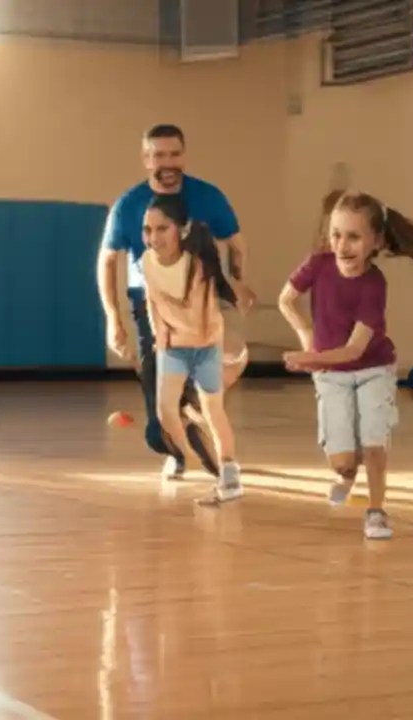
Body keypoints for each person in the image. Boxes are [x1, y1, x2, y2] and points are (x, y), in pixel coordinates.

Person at [278, 191, 413, 539]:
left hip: (372, 370)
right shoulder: (317, 265)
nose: (343, 245)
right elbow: (286, 299)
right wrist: (306, 334)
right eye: (337, 234)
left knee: (373, 443)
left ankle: (376, 512)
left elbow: (354, 350)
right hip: (330, 376)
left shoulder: (373, 283)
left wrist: (309, 357)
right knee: (343, 460)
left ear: (376, 241)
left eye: (354, 237)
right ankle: (347, 475)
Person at [97, 124, 254, 481]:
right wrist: (113, 318)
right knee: (158, 426)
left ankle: (216, 457)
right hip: (150, 308)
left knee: (203, 392)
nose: (167, 162)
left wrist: (236, 288)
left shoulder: (209, 197)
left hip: (201, 308)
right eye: (158, 155)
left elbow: (236, 244)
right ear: (145, 159)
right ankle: (178, 446)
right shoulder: (128, 205)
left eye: (174, 154)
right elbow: (107, 260)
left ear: (184, 156)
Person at [141, 194, 250, 505]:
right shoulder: (146, 262)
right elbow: (151, 300)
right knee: (164, 411)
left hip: (204, 347)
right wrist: (158, 333)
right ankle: (184, 450)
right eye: (147, 229)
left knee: (214, 411)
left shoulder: (198, 268)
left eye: (162, 229)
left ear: (181, 230)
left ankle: (229, 476)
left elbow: (196, 319)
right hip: (173, 347)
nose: (153, 237)